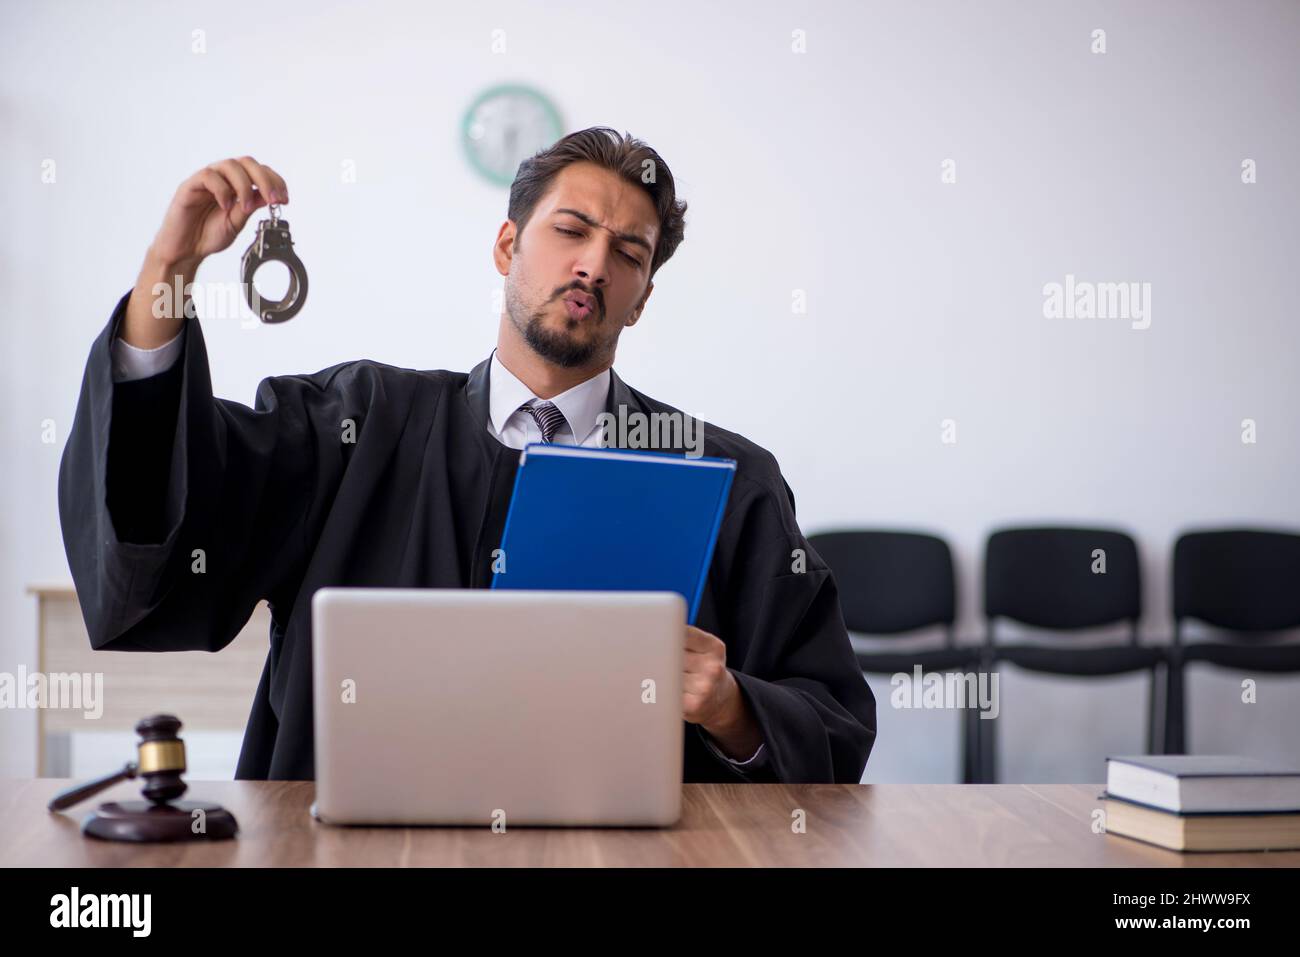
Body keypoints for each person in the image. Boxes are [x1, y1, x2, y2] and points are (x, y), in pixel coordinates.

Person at [59, 127, 876, 783]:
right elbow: (164, 528)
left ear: (643, 296)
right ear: (506, 246)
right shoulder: (355, 425)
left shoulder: (724, 480)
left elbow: (832, 721)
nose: (594, 261)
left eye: (630, 253)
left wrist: (732, 706)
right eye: (571, 230)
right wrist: (168, 272)